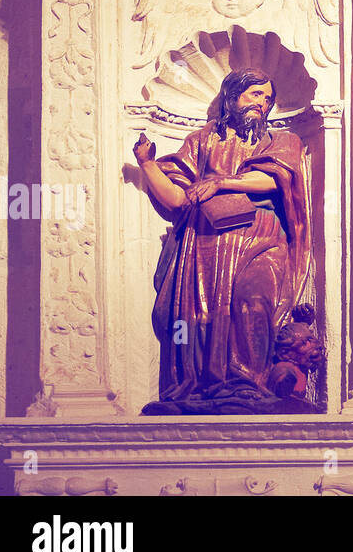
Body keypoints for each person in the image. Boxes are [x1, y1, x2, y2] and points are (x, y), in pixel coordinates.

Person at [133, 67, 313, 414]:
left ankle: (248, 384)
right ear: (232, 97)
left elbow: (273, 181)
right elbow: (176, 200)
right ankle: (198, 389)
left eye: (267, 97)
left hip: (261, 237)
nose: (262, 103)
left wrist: (221, 182)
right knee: (197, 314)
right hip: (205, 244)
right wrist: (148, 165)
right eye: (254, 94)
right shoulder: (201, 142)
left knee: (254, 299)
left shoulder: (282, 141)